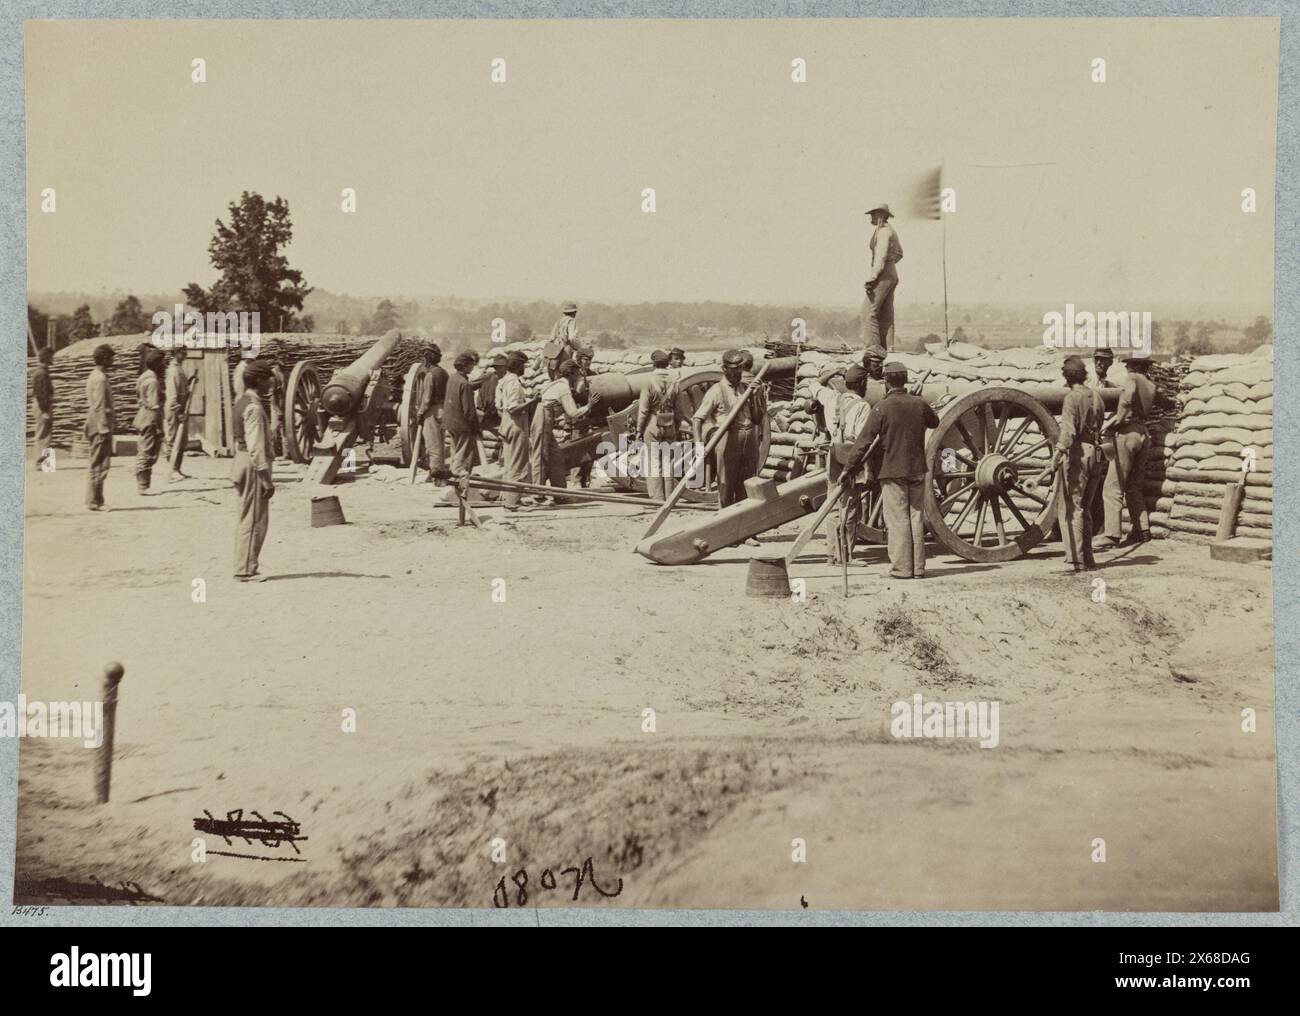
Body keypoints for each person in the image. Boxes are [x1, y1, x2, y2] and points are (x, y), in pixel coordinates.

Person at [843, 361, 939, 579]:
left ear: (886, 383)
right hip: (916, 469)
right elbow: (934, 422)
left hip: (892, 470)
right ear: (905, 380)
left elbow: (863, 442)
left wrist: (848, 468)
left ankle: (901, 568)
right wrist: (919, 400)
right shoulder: (918, 403)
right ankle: (918, 568)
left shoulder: (882, 407)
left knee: (897, 521)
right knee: (915, 518)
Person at [1035, 355, 1104, 570]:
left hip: (1078, 454)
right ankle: (1089, 559)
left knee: (1073, 508)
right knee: (1086, 508)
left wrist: (1056, 458)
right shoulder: (1096, 396)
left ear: (1066, 377)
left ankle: (1076, 559)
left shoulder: (1072, 399)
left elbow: (1068, 433)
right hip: (1096, 453)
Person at [692, 349, 766, 513]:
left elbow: (757, 419)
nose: (737, 372)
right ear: (724, 368)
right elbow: (697, 419)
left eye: (739, 368)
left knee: (748, 485)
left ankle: (747, 531)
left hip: (749, 440)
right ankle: (727, 525)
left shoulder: (747, 388)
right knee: (726, 486)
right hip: (727, 441)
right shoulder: (716, 390)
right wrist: (699, 446)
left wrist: (756, 396)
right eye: (732, 369)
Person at [1100, 354, 1155, 545]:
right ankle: (1142, 530)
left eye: (1128, 364)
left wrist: (1117, 421)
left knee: (1112, 487)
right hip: (1143, 434)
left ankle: (1112, 534)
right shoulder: (1150, 384)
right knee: (1134, 487)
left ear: (1134, 366)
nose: (1127, 368)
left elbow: (1126, 400)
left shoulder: (1132, 379)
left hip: (1127, 433)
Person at [231, 360, 275, 581]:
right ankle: (246, 569)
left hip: (240, 460)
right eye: (268, 380)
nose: (270, 384)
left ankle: (245, 565)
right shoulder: (255, 408)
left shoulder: (240, 401)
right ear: (259, 380)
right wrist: (266, 479)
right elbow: (256, 447)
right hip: (253, 465)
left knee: (246, 515)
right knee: (254, 518)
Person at [635, 349, 690, 502]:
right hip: (670, 423)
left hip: (653, 424)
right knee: (668, 462)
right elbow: (680, 410)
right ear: (667, 363)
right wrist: (676, 426)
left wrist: (639, 430)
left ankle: (657, 498)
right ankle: (670, 497)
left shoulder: (648, 381)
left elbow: (643, 410)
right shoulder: (675, 381)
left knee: (653, 461)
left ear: (653, 363)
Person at [531, 361, 590, 497]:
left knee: (556, 457)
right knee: (541, 458)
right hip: (543, 419)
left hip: (546, 421)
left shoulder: (559, 384)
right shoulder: (563, 387)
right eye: (576, 374)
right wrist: (589, 406)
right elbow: (573, 413)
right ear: (571, 373)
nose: (578, 377)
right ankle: (537, 495)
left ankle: (560, 493)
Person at [495, 351, 534, 510]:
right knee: (518, 464)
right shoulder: (515, 384)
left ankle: (508, 498)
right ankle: (512, 503)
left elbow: (499, 406)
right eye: (523, 365)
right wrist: (533, 402)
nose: (524, 369)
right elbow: (513, 408)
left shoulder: (503, 381)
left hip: (507, 425)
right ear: (518, 366)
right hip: (516, 426)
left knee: (510, 463)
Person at [862, 202, 903, 350]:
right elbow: (900, 253)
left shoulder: (883, 233)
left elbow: (880, 256)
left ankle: (872, 352)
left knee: (868, 312)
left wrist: (873, 277)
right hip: (891, 273)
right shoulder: (890, 230)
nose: (870, 217)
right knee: (886, 313)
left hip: (883, 274)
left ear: (880, 215)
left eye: (872, 214)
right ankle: (888, 349)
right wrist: (891, 263)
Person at [84, 344, 116, 511]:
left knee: (97, 463)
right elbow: (99, 406)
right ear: (104, 359)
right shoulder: (100, 379)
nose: (113, 360)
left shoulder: (96, 376)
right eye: (111, 357)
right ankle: (95, 502)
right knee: (99, 464)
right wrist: (104, 428)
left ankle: (94, 500)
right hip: (99, 426)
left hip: (96, 424)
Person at [442, 352, 480, 479]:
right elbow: (469, 410)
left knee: (455, 450)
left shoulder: (452, 378)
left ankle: (453, 472)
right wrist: (475, 428)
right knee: (463, 452)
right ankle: (459, 475)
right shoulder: (464, 383)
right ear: (464, 366)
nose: (472, 367)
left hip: (450, 422)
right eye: (471, 365)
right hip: (462, 424)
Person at [133, 349, 165, 494]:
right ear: (157, 364)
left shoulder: (143, 377)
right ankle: (143, 486)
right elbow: (154, 406)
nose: (164, 366)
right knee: (147, 451)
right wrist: (158, 426)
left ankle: (144, 484)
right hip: (150, 419)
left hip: (143, 416)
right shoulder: (153, 382)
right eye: (162, 363)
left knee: (144, 450)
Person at [417, 344, 449, 483]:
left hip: (432, 411)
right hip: (443, 410)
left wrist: (420, 413)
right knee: (440, 444)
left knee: (433, 445)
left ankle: (437, 478)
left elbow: (426, 398)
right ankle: (438, 473)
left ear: (427, 359)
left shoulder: (430, 374)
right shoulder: (443, 372)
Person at [571, 346, 600, 488]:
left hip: (591, 417)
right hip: (578, 416)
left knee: (590, 451)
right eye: (585, 359)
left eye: (590, 360)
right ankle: (576, 481)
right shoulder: (574, 376)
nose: (588, 362)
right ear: (579, 360)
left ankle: (586, 480)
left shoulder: (593, 375)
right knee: (577, 449)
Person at [164, 347, 190, 480]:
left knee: (181, 440)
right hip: (175, 409)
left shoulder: (179, 369)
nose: (185, 354)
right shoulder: (173, 371)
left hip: (180, 408)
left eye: (186, 352)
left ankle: (177, 468)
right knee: (173, 439)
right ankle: (172, 469)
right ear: (175, 353)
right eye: (182, 352)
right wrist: (178, 411)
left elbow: (182, 389)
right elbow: (172, 394)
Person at [478, 353, 507, 463]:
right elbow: (469, 385)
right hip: (487, 413)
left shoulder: (508, 379)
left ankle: (502, 459)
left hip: (500, 414)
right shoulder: (488, 377)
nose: (499, 370)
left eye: (501, 367)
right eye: (497, 367)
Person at [31, 347, 54, 471]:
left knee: (45, 433)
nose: (52, 359)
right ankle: (40, 463)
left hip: (42, 405)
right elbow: (41, 394)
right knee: (42, 434)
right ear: (46, 358)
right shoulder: (41, 373)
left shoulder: (43, 372)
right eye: (51, 357)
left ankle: (44, 462)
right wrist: (45, 411)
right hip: (42, 406)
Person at [545, 302, 580, 379]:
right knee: (568, 370)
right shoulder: (572, 321)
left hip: (555, 348)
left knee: (555, 369)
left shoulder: (559, 321)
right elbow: (572, 338)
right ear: (574, 313)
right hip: (565, 349)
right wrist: (578, 347)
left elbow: (551, 337)